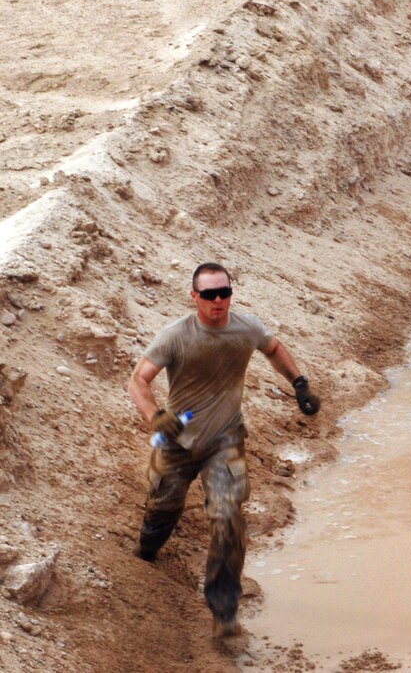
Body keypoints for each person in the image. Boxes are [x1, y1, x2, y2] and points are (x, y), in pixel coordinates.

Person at [127, 263, 320, 639]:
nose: (218, 301)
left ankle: (224, 607)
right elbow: (138, 380)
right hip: (178, 442)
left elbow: (273, 347)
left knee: (229, 518)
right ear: (194, 296)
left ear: (231, 293)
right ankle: (147, 553)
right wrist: (155, 416)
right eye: (210, 294)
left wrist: (299, 383)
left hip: (225, 440)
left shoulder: (245, 327)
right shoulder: (176, 336)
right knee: (163, 508)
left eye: (224, 293)